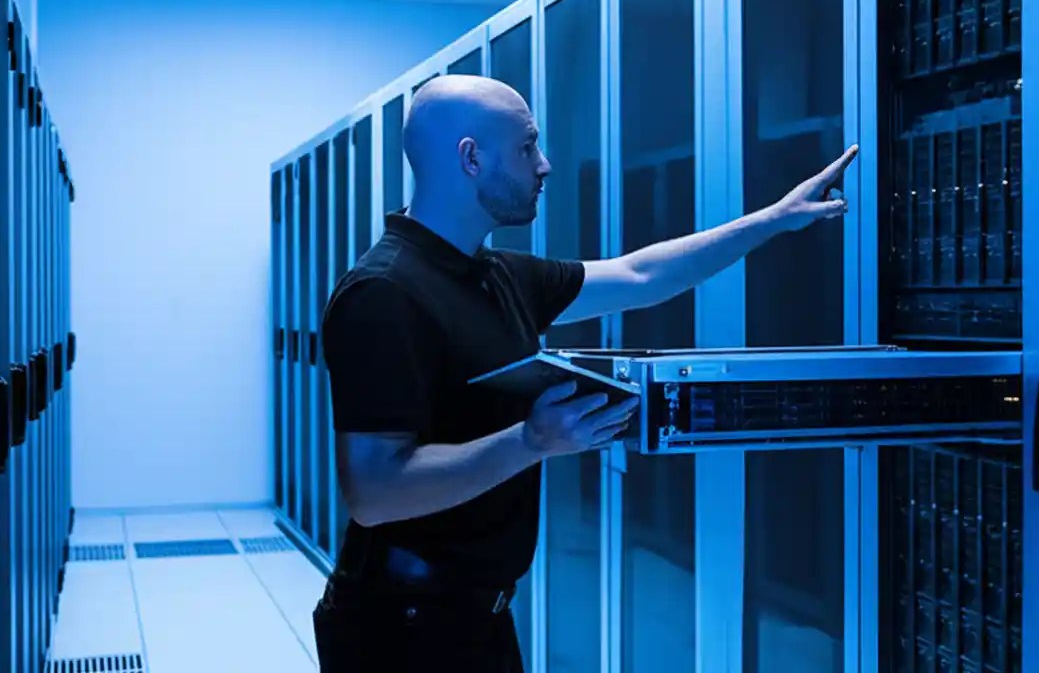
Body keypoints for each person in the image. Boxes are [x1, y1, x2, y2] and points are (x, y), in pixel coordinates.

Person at [312, 74, 856, 672]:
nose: (544, 165)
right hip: (399, 632)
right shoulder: (385, 293)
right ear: (471, 158)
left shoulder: (497, 276)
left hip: (475, 615)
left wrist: (774, 219)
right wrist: (531, 440)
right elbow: (374, 494)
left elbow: (642, 276)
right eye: (526, 146)